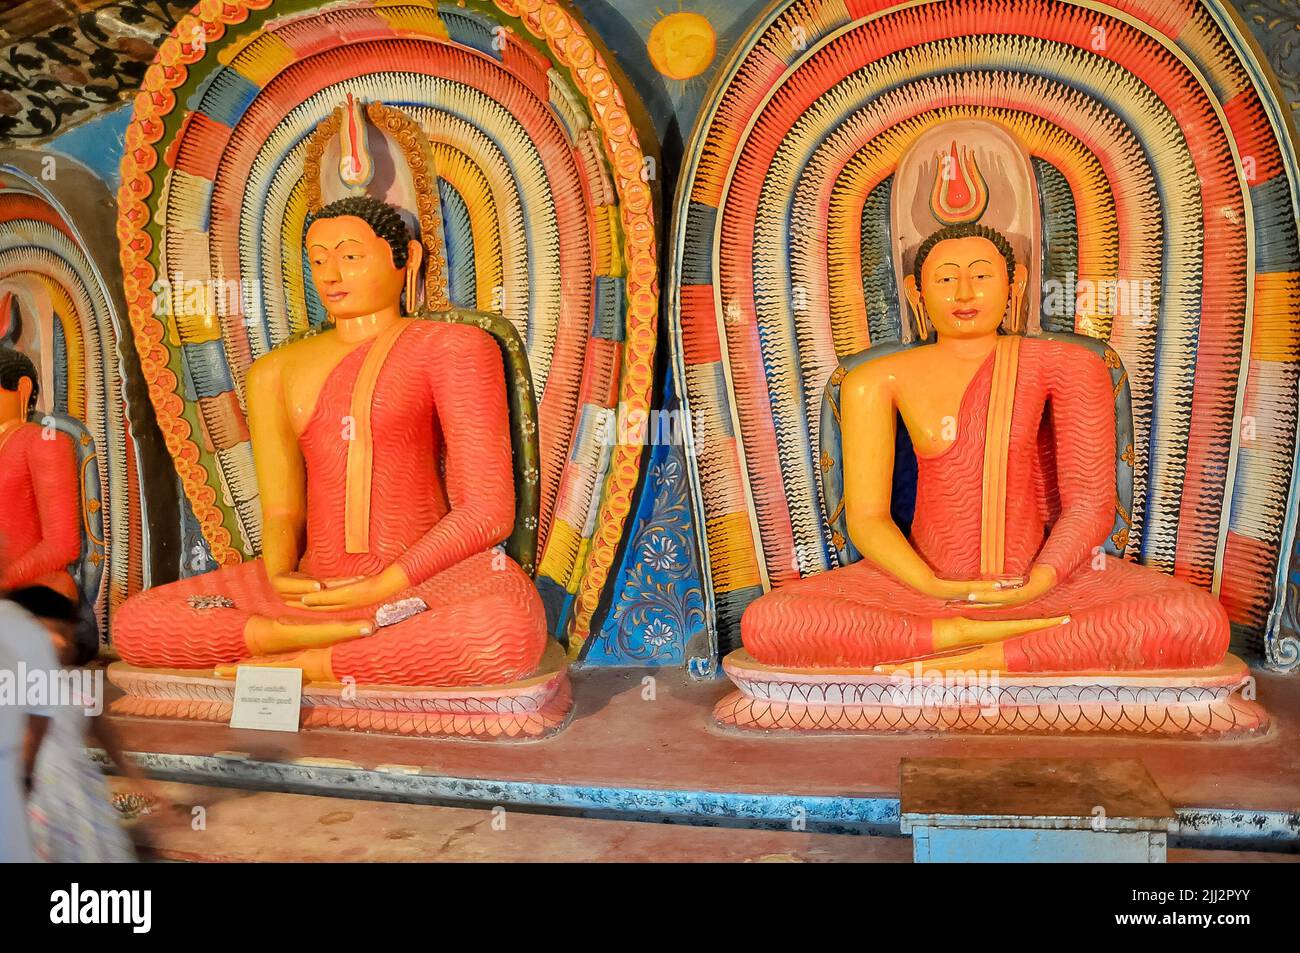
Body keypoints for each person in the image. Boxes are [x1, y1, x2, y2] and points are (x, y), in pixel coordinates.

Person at [8, 585, 137, 862]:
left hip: (80, 795)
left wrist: (142, 783)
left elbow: (105, 735)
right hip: (31, 796)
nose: (60, 642)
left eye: (64, 633)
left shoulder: (81, 684)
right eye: (46, 634)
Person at [0, 592, 57, 862]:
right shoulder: (22, 627)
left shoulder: (20, 626)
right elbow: (40, 713)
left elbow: (40, 712)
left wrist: (23, 773)